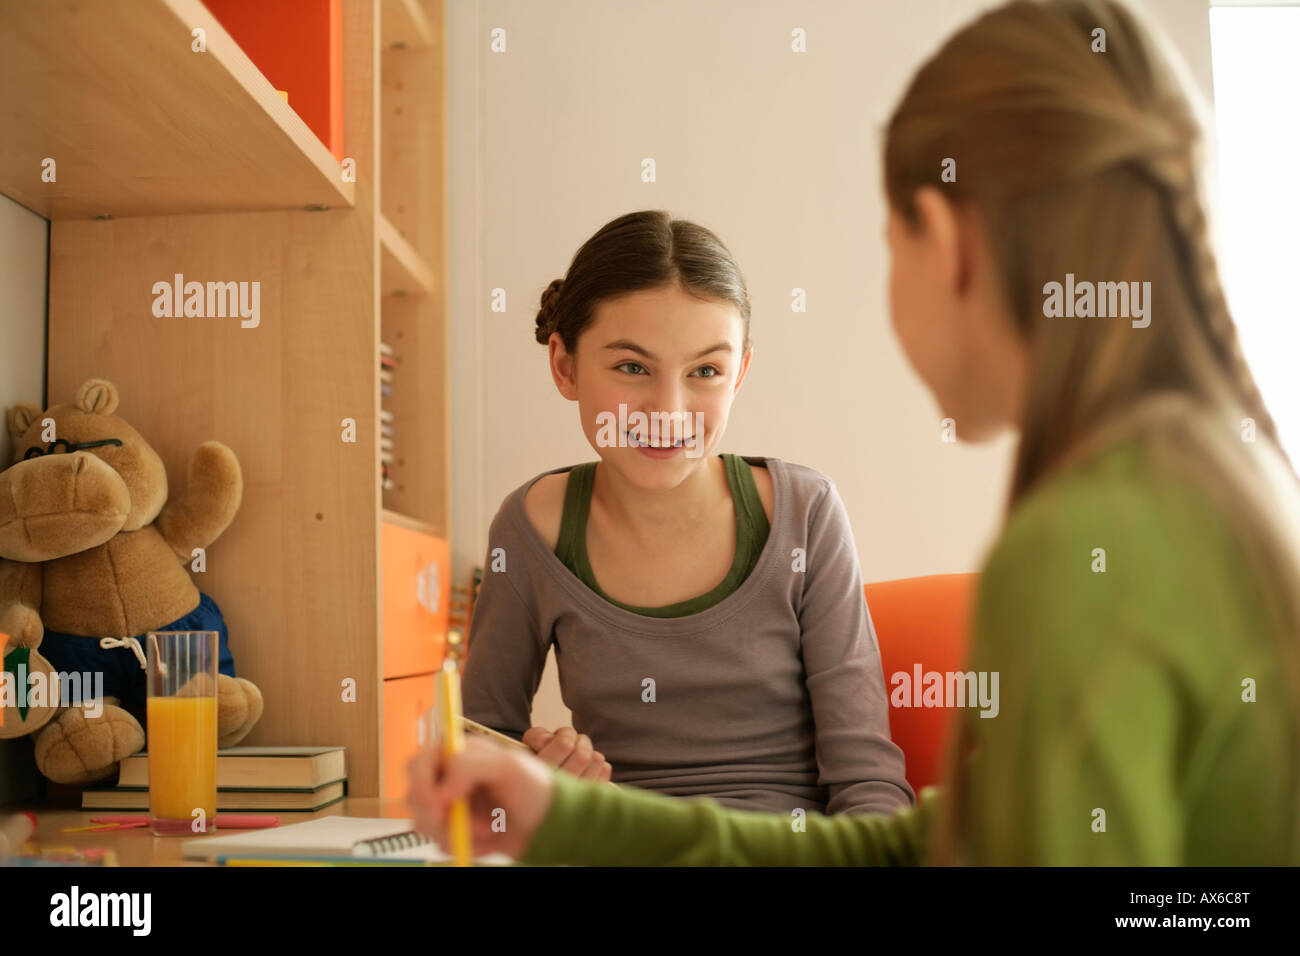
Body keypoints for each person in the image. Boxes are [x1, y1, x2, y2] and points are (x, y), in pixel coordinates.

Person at [410, 0, 1300, 864]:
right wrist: (570, 819)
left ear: (947, 244)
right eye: (633, 366)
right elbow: (929, 848)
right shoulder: (1223, 487)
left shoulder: (1075, 546)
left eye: (889, 236)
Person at [459, 209, 913, 816]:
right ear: (564, 366)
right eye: (631, 367)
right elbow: (476, 756)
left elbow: (870, 788)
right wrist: (541, 791)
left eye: (705, 371)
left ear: (740, 373)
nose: (668, 409)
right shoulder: (529, 527)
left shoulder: (806, 512)